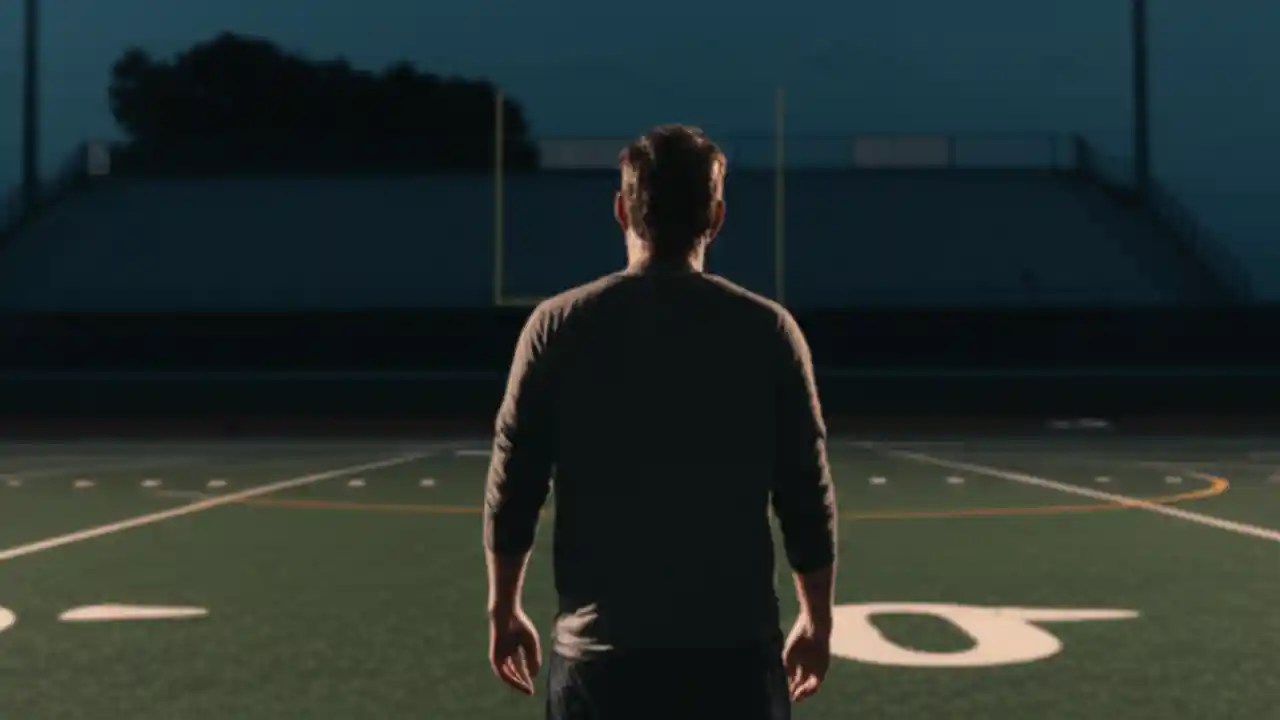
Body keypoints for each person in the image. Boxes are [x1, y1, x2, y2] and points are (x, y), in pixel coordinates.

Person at [482, 124, 838, 720]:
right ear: (717, 217)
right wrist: (818, 620)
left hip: (601, 659)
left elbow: (514, 484)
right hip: (733, 657)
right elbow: (805, 494)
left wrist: (502, 609)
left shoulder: (557, 327)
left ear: (622, 209)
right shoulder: (768, 332)